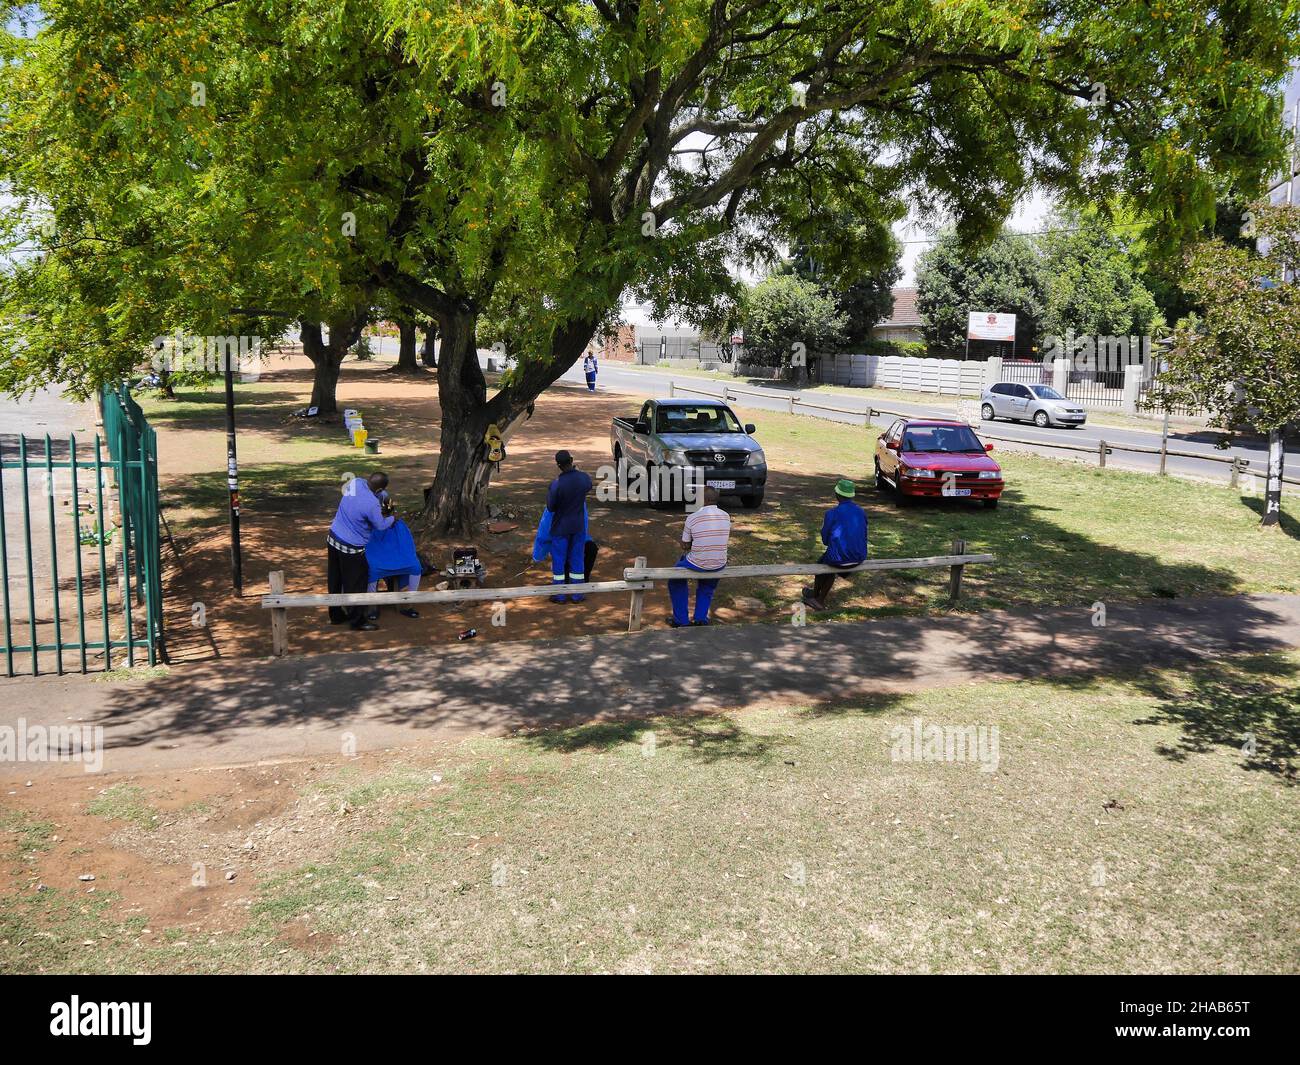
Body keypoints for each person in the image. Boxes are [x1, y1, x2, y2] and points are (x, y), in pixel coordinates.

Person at [327, 471, 395, 631]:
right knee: (356, 583)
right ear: (378, 491)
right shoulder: (371, 504)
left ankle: (335, 615)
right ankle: (357, 621)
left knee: (335, 579)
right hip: (351, 548)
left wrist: (383, 496)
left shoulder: (355, 482)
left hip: (333, 537)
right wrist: (392, 517)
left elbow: (379, 493)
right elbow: (381, 525)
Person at [801, 478, 868, 612]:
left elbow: (825, 540)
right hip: (859, 556)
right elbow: (864, 534)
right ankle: (815, 594)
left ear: (837, 495)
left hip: (840, 559)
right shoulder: (861, 511)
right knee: (825, 562)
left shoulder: (831, 514)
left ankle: (818, 600)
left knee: (824, 566)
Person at [667, 486, 730, 627]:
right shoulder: (726, 516)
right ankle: (701, 618)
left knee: (675, 580)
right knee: (707, 586)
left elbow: (685, 545)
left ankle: (681, 620)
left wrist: (691, 543)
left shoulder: (692, 518)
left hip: (698, 562)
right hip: (719, 563)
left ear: (705, 500)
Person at [545, 450, 594, 603]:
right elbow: (588, 486)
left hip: (560, 528)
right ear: (572, 460)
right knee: (577, 559)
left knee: (559, 561)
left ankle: (559, 595)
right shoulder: (583, 478)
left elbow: (551, 507)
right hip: (578, 527)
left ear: (558, 465)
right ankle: (577, 594)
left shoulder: (556, 484)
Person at [364, 500, 424, 620]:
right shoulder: (371, 526)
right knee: (372, 569)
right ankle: (372, 605)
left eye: (387, 515)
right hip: (377, 557)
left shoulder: (399, 525)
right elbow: (369, 547)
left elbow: (408, 546)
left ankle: (407, 604)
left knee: (415, 566)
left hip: (400, 556)